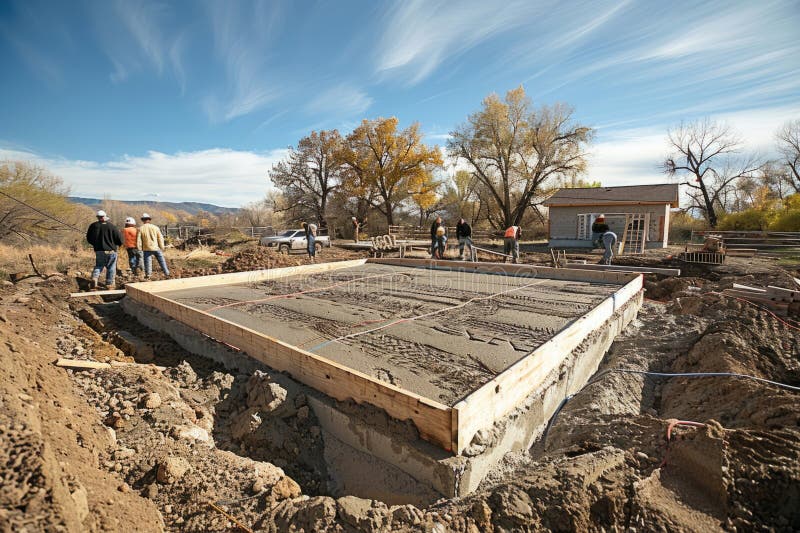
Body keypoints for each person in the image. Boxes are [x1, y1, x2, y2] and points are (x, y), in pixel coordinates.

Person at [86, 210, 123, 289]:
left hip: (99, 250)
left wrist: (95, 244)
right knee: (111, 267)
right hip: (111, 251)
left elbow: (89, 238)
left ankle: (95, 278)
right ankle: (109, 284)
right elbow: (119, 239)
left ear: (98, 217)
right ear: (105, 217)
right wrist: (119, 244)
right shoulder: (112, 226)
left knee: (99, 265)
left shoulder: (93, 226)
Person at [137, 213, 170, 279]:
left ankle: (148, 275)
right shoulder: (155, 227)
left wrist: (139, 248)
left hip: (146, 249)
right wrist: (162, 247)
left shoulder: (140, 229)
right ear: (149, 220)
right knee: (161, 261)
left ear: (143, 220)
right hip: (156, 247)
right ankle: (166, 273)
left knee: (148, 262)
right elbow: (160, 238)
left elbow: (139, 240)